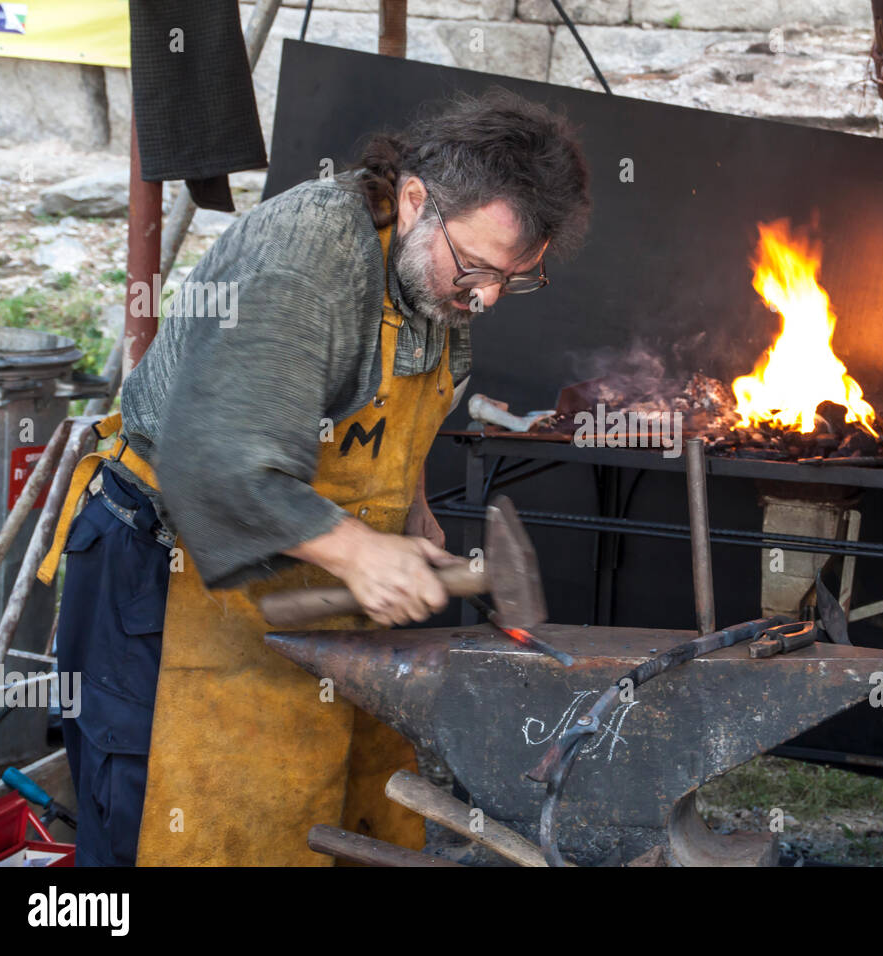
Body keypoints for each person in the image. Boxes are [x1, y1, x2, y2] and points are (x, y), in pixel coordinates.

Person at [40, 88, 591, 865]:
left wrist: (411, 509)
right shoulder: (310, 253)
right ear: (413, 199)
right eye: (475, 266)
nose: (490, 294)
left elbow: (388, 402)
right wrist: (360, 553)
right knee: (189, 832)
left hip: (317, 606)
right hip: (171, 586)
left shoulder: (432, 283)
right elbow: (220, 451)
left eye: (516, 278)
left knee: (334, 825)